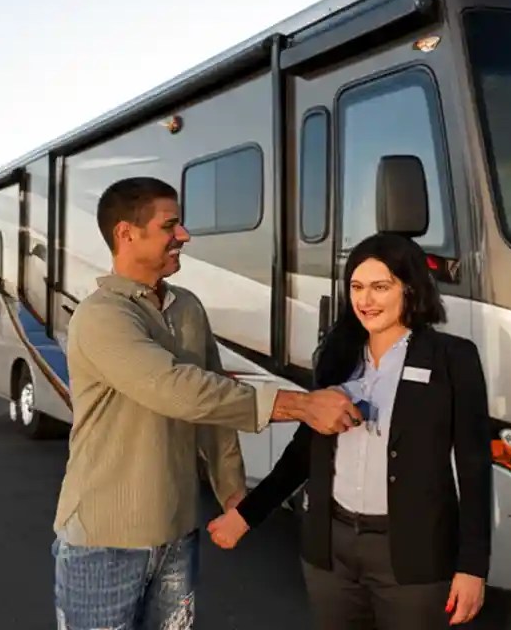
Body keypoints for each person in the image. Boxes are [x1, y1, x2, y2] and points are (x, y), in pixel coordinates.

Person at [51, 176, 363, 630]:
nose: (184, 236)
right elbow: (178, 389)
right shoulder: (101, 315)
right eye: (170, 226)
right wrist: (300, 405)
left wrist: (232, 492)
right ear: (126, 234)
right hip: (104, 542)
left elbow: (214, 404)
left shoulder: (187, 307)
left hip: (178, 534)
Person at [207, 232, 494, 629]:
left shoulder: (453, 358)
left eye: (381, 287)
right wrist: (246, 516)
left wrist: (473, 567)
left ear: (409, 288)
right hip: (331, 553)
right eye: (357, 287)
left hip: (414, 557)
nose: (366, 300)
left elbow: (475, 467)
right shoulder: (337, 356)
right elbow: (305, 450)